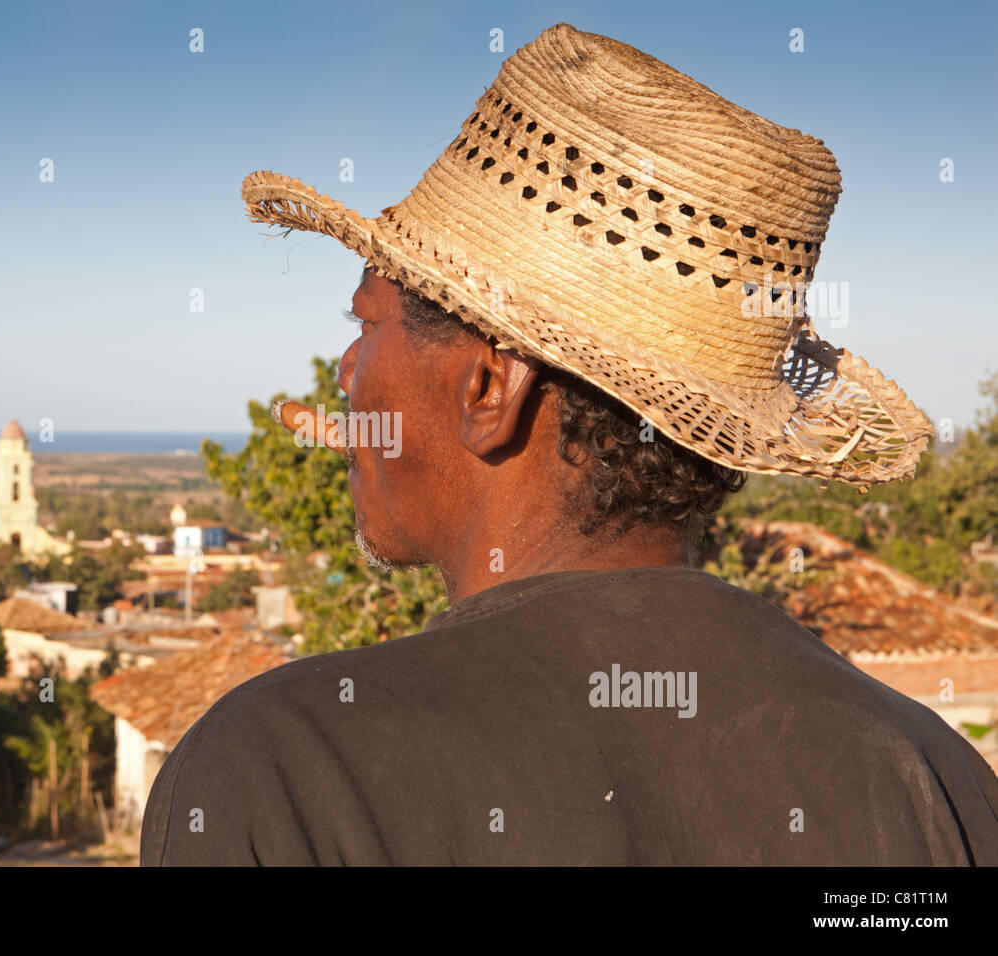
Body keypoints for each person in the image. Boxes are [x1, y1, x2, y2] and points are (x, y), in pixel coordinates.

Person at [140, 23, 998, 865]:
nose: (347, 369)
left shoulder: (280, 773)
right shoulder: (934, 775)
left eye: (367, 321)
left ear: (489, 389)